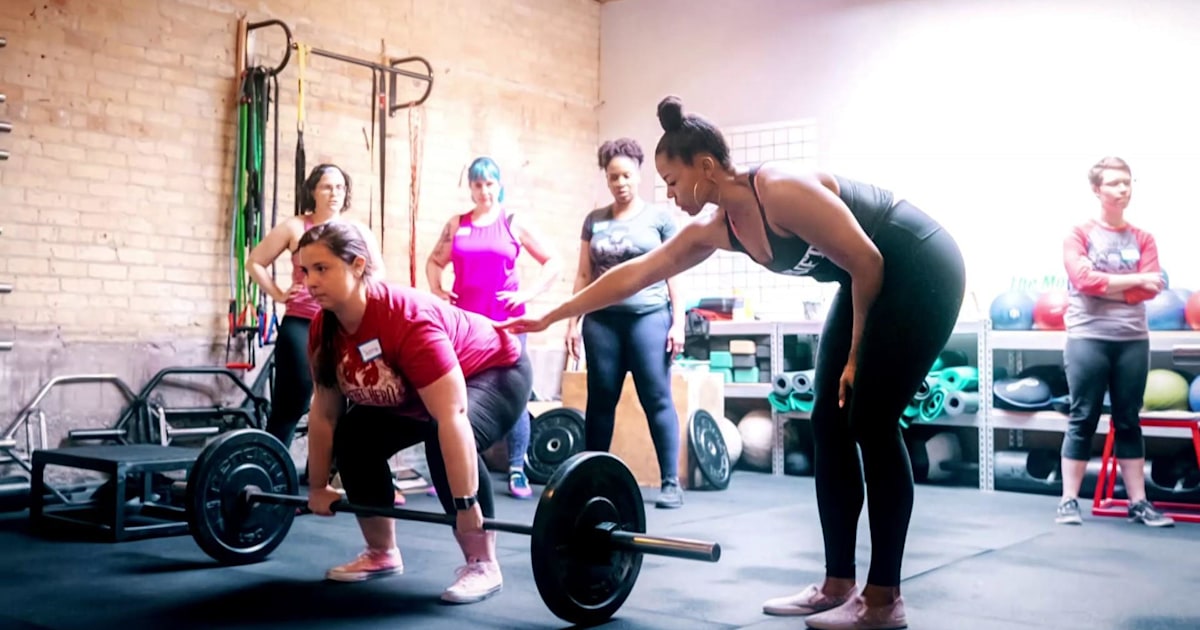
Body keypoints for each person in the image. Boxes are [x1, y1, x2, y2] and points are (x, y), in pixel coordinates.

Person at [500, 96, 966, 630]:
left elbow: (868, 259)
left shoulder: (780, 190)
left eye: (672, 181)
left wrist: (857, 356)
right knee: (827, 421)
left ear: (704, 166)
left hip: (920, 264)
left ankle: (883, 600)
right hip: (865, 279)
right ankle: (838, 584)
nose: (669, 196)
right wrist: (552, 315)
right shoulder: (723, 229)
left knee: (869, 420)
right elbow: (635, 274)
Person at [300, 221, 531, 604]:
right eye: (305, 271)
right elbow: (325, 413)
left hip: (494, 370)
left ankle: (482, 562)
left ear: (358, 266)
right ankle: (382, 552)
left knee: (445, 442)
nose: (310, 281)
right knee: (354, 435)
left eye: (321, 269)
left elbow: (452, 416)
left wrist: (466, 505)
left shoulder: (405, 319)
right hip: (421, 392)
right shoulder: (323, 329)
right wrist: (317, 487)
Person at [426, 156, 561, 500]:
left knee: (511, 394)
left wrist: (527, 293)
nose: (483, 190)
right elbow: (434, 260)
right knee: (455, 393)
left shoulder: (513, 222)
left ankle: (517, 468)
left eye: (489, 183)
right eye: (477, 184)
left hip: (506, 323)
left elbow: (552, 262)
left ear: (499, 185)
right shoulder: (457, 224)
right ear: (470, 187)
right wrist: (438, 289)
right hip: (464, 325)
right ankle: (452, 465)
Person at [565, 138, 687, 509]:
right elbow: (584, 274)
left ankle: (670, 482)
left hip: (648, 318)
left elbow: (675, 273)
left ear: (638, 175)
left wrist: (677, 322)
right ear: (606, 178)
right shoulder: (594, 220)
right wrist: (572, 321)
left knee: (656, 397)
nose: (621, 183)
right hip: (601, 321)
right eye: (614, 177)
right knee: (601, 401)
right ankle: (591, 478)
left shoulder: (659, 219)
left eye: (627, 176)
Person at [1056, 156, 1174, 528]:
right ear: (1097, 190)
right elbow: (1083, 280)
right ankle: (1069, 502)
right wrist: (1132, 280)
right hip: (1087, 337)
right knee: (1083, 417)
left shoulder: (1144, 238)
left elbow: (1150, 289)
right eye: (1114, 183)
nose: (1123, 189)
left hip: (1132, 339)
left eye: (1127, 182)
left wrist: (1106, 285)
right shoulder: (1079, 234)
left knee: (1128, 420)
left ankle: (1138, 503)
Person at [247, 163, 386, 448]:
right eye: (326, 186)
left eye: (340, 187)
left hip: (342, 325)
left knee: (342, 401)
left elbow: (378, 275)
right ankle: (272, 472)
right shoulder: (295, 227)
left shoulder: (357, 230)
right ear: (313, 190)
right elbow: (255, 262)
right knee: (293, 399)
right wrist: (279, 294)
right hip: (301, 322)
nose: (334, 193)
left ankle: (325, 476)